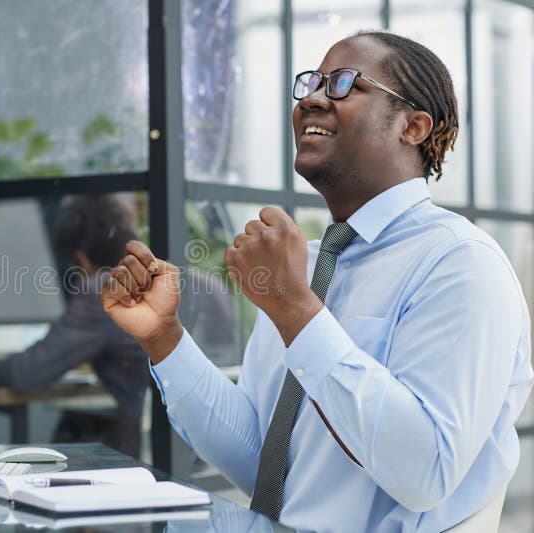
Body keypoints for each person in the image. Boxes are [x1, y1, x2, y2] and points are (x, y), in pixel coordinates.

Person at [100, 31, 534, 532]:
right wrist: (164, 338)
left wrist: (296, 314)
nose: (311, 98)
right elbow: (261, 461)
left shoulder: (460, 264)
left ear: (413, 127)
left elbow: (427, 472)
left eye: (345, 84)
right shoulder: (304, 268)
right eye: (311, 82)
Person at [0, 194, 150, 458]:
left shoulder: (104, 289)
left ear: (80, 259)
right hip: (190, 453)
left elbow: (28, 373)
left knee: (73, 430)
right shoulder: (174, 282)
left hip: (145, 453)